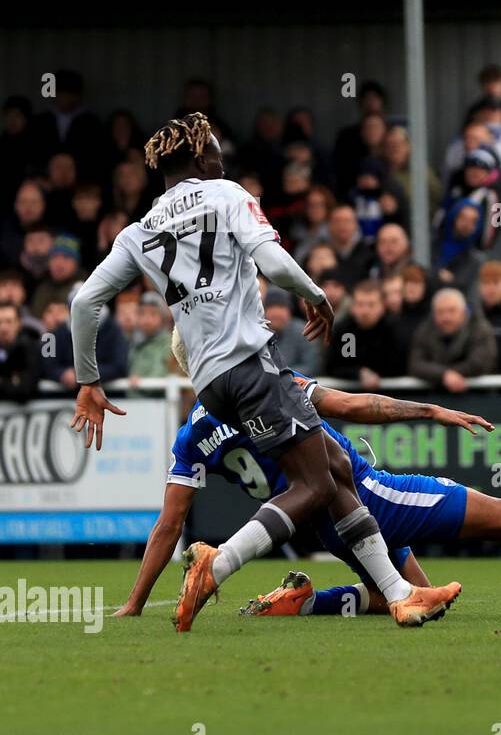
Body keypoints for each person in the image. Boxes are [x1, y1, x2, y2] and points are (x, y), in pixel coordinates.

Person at [68, 111, 451, 631]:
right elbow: (271, 261)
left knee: (334, 467)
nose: (223, 157)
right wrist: (315, 294)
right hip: (252, 365)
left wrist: (89, 382)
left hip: (211, 383)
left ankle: (401, 595)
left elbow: (85, 302)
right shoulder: (225, 194)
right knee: (315, 483)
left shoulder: (140, 230)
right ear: (202, 157)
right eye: (217, 149)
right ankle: (216, 564)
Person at [117, 351, 501, 621]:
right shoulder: (270, 382)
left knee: (418, 600)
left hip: (326, 524)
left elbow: (170, 523)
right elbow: (356, 404)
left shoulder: (193, 433)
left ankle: (301, 603)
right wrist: (432, 411)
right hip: (370, 499)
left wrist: (135, 604)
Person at [407, 287, 497, 392]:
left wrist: (448, 374)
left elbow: (479, 362)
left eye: (452, 310)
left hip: (476, 395)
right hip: (434, 398)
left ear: (463, 312)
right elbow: (416, 364)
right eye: (440, 312)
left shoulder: (480, 329)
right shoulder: (424, 330)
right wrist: (444, 375)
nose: (446, 317)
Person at [325, 279, 404, 387]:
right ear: (352, 307)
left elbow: (400, 366)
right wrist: (359, 373)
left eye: (371, 305)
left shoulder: (393, 329)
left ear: (382, 307)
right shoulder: (344, 330)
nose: (365, 311)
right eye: (360, 304)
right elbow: (334, 366)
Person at [127, 290, 174, 379]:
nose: (147, 319)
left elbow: (164, 373)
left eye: (153, 314)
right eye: (142, 313)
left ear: (163, 318)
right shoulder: (133, 341)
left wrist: (141, 381)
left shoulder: (169, 343)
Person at [0, 300, 40, 402]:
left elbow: (25, 388)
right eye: (0, 322)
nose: (4, 328)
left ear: (18, 324)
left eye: (9, 322)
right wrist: (11, 381)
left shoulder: (30, 349)